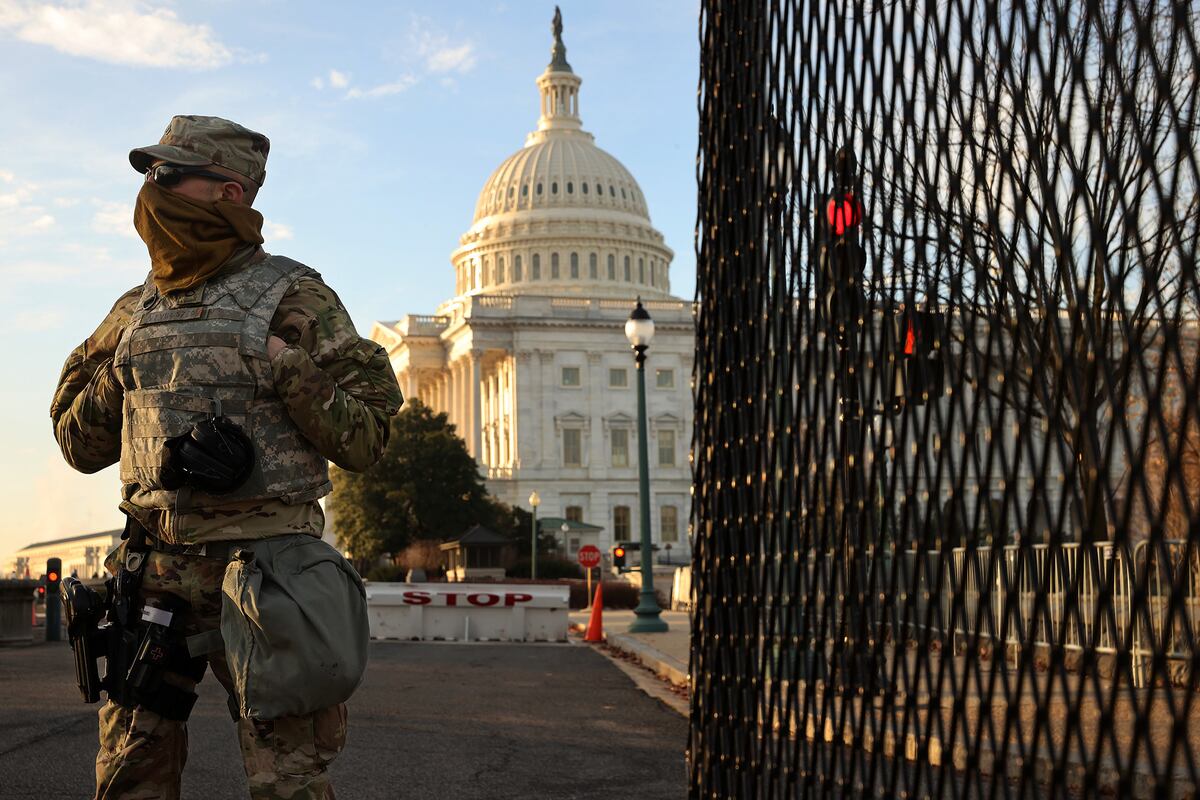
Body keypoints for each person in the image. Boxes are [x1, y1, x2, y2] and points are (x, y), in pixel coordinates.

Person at [50, 115, 403, 800]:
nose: (153, 191)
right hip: (154, 575)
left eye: (170, 175)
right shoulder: (134, 312)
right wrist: (120, 374)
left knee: (288, 783)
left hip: (270, 577)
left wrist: (286, 366)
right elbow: (76, 444)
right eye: (151, 176)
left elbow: (368, 438)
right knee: (129, 776)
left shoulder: (296, 298)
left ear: (229, 193)